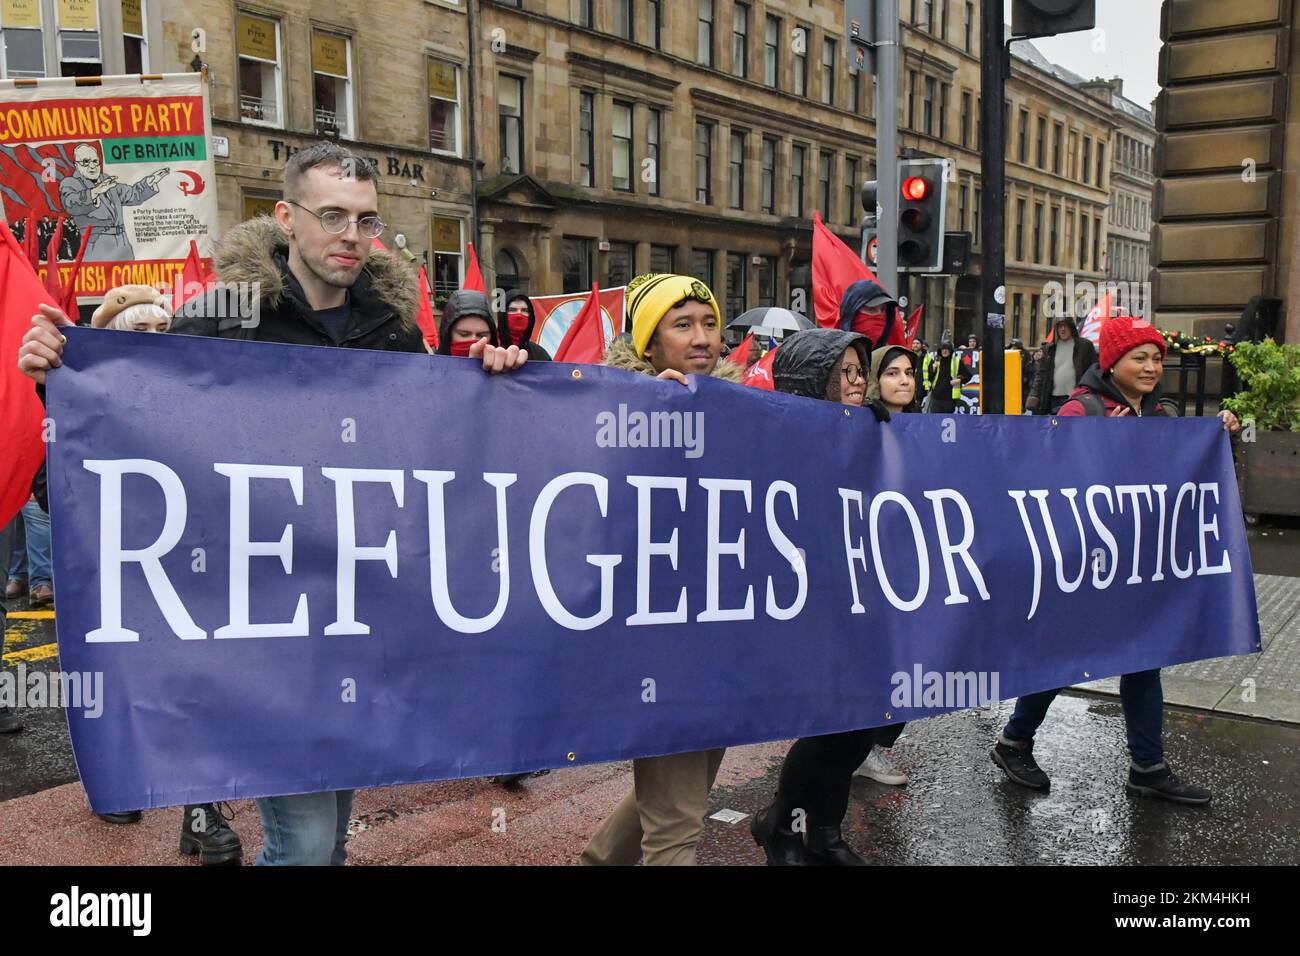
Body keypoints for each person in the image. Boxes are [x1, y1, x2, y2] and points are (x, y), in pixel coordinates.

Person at [19, 141, 529, 865]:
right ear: (287, 218)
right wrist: (62, 383)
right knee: (307, 846)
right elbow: (121, 443)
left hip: (361, 622)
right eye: (332, 216)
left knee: (329, 839)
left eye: (366, 220)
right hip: (265, 629)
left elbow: (446, 458)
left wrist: (494, 384)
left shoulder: (393, 332)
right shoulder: (223, 321)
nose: (352, 236)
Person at [991, 317, 1240, 806]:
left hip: (1140, 567)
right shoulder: (1081, 412)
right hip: (1088, 564)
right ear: (1112, 362)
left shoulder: (1162, 416)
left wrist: (1222, 432)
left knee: (1145, 658)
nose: (1151, 367)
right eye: (1139, 358)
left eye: (1155, 358)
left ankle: (1148, 766)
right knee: (1068, 652)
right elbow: (1046, 480)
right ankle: (1013, 741)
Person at [580, 272, 742, 867]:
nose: (701, 338)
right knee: (678, 824)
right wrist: (648, 422)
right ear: (649, 344)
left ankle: (602, 859)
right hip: (654, 638)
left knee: (691, 782)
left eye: (709, 323)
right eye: (682, 326)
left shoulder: (738, 406)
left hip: (722, 630)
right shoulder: (610, 406)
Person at [750, 329, 892, 866]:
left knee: (863, 724)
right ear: (814, 379)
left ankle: (825, 834)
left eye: (862, 371)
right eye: (846, 373)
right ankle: (781, 826)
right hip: (811, 600)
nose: (859, 383)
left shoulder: (867, 429)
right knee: (833, 727)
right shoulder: (778, 433)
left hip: (864, 596)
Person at [59, 143, 169, 261]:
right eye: (86, 162)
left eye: (95, 161)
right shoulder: (71, 183)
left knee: (130, 280)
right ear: (76, 165)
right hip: (96, 248)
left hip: (122, 247)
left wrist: (148, 182)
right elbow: (71, 203)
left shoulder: (107, 181)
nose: (92, 166)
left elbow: (133, 194)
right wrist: (95, 191)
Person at [1027, 317, 1097, 415]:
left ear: (1071, 327)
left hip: (1076, 398)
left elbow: (1093, 371)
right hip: (1053, 399)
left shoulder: (1085, 346)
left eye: (1065, 326)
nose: (1063, 329)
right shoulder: (1049, 349)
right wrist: (1034, 395)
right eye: (1060, 326)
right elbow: (1041, 375)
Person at [496, 289, 552, 361]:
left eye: (524, 310)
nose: (519, 315)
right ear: (502, 315)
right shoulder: (490, 349)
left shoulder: (540, 355)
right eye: (513, 310)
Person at [922, 339, 969, 414]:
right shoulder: (936, 361)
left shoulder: (956, 361)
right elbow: (930, 378)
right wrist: (933, 370)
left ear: (950, 351)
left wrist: (959, 380)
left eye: (947, 349)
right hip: (936, 397)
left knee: (947, 419)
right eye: (943, 349)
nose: (944, 351)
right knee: (935, 421)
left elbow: (968, 375)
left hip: (949, 398)